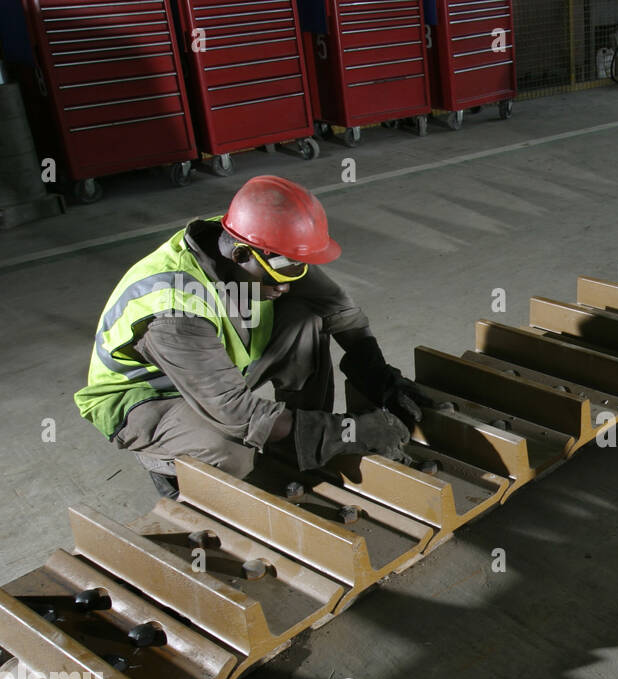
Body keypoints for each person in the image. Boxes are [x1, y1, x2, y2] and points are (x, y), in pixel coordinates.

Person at [74, 176, 421, 498]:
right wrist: (351, 432)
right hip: (150, 397)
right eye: (279, 275)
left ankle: (299, 444)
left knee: (306, 319)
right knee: (228, 450)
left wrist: (379, 378)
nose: (286, 285)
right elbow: (238, 413)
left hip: (214, 369)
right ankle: (173, 470)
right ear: (240, 255)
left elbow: (334, 306)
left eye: (294, 269)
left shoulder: (256, 242)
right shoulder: (174, 310)